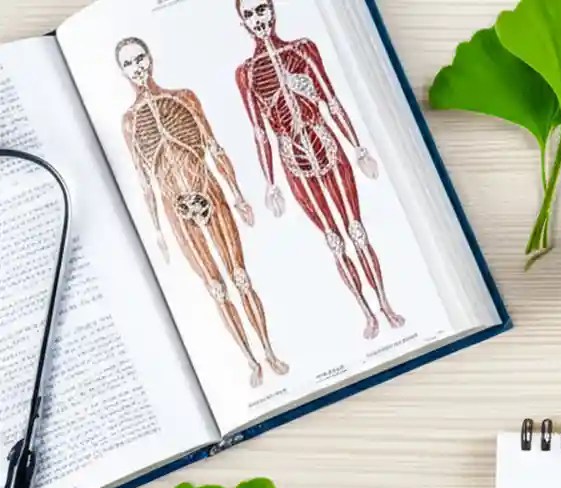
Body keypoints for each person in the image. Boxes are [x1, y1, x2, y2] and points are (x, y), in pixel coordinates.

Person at [118, 36, 288, 388]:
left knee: (240, 277)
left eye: (140, 59)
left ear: (150, 57)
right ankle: (251, 361)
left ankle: (270, 351)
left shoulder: (183, 98)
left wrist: (238, 196)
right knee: (216, 287)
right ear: (122, 71)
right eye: (129, 64)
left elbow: (213, 146)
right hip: (175, 208)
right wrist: (158, 232)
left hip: (209, 189)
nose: (137, 68)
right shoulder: (130, 121)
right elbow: (144, 180)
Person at [234, 0, 404, 340]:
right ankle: (367, 313)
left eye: (262, 9)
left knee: (356, 230)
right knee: (334, 239)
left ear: (273, 10)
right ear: (243, 21)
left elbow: (331, 100)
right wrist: (270, 183)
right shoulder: (247, 72)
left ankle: (385, 304)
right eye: (250, 13)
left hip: (324, 140)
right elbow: (259, 131)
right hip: (292, 157)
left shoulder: (302, 49)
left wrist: (358, 148)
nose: (258, 18)